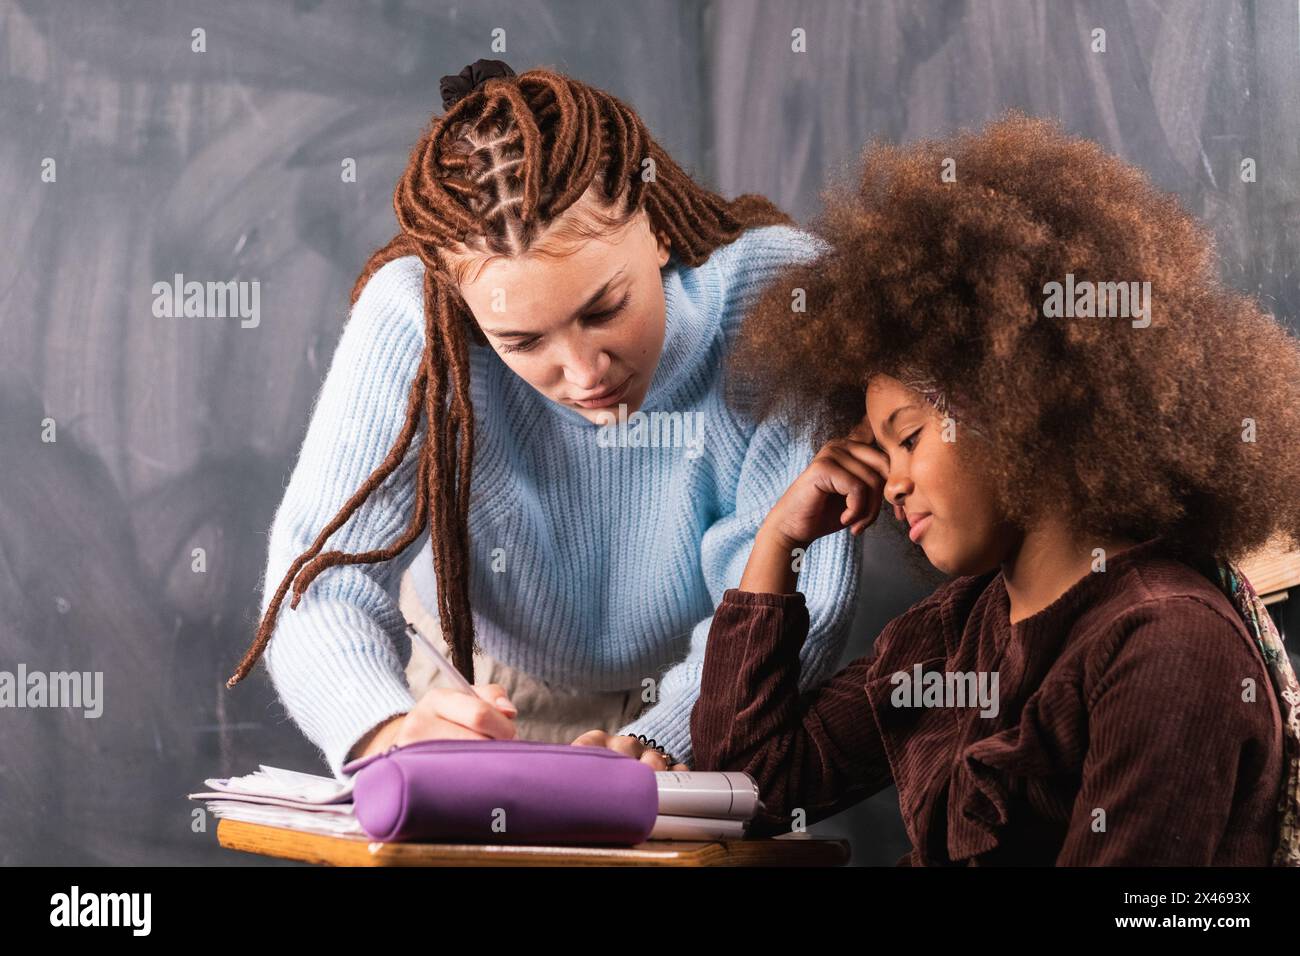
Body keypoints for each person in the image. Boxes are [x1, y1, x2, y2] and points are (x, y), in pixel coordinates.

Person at [690, 113, 1300, 866]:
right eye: (880, 450)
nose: (895, 481)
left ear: (1016, 402)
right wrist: (777, 540)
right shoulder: (959, 633)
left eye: (908, 437)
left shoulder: (1168, 644)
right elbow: (750, 787)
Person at [225, 60, 861, 779]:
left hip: (718, 687)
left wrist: (670, 738)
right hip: (482, 696)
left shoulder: (779, 300)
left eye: (604, 309)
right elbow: (319, 579)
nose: (586, 373)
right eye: (523, 342)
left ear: (651, 225)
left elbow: (798, 588)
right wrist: (385, 732)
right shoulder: (415, 321)